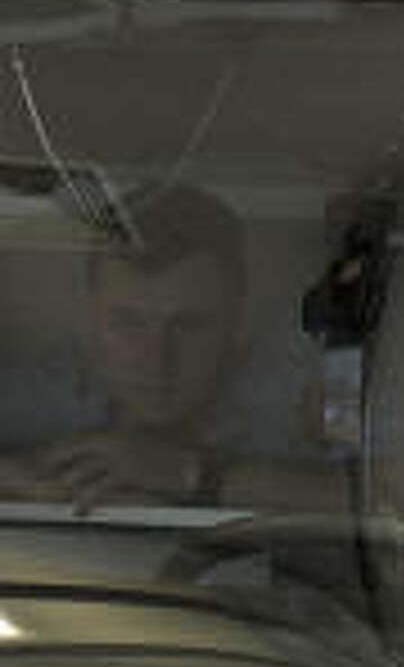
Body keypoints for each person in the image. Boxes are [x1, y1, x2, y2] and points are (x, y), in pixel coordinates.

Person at [0, 183, 246, 509]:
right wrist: (31, 481)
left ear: (236, 322)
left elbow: (321, 495)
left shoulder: (285, 403)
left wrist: (189, 474)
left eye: (187, 326)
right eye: (128, 324)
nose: (156, 360)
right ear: (89, 317)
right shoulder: (40, 391)